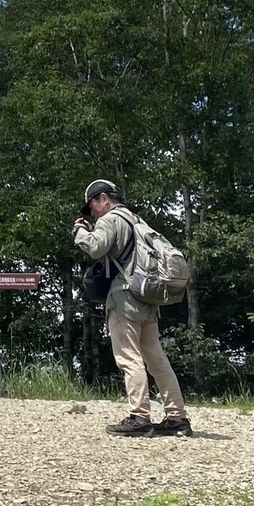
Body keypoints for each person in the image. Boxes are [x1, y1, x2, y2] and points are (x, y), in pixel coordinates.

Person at [73, 179, 192, 437]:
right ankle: (177, 418)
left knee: (129, 358)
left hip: (124, 297)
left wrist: (80, 233)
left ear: (103, 198)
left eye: (92, 204)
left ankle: (139, 417)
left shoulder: (110, 220)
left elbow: (95, 248)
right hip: (147, 296)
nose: (92, 210)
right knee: (156, 358)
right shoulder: (136, 220)